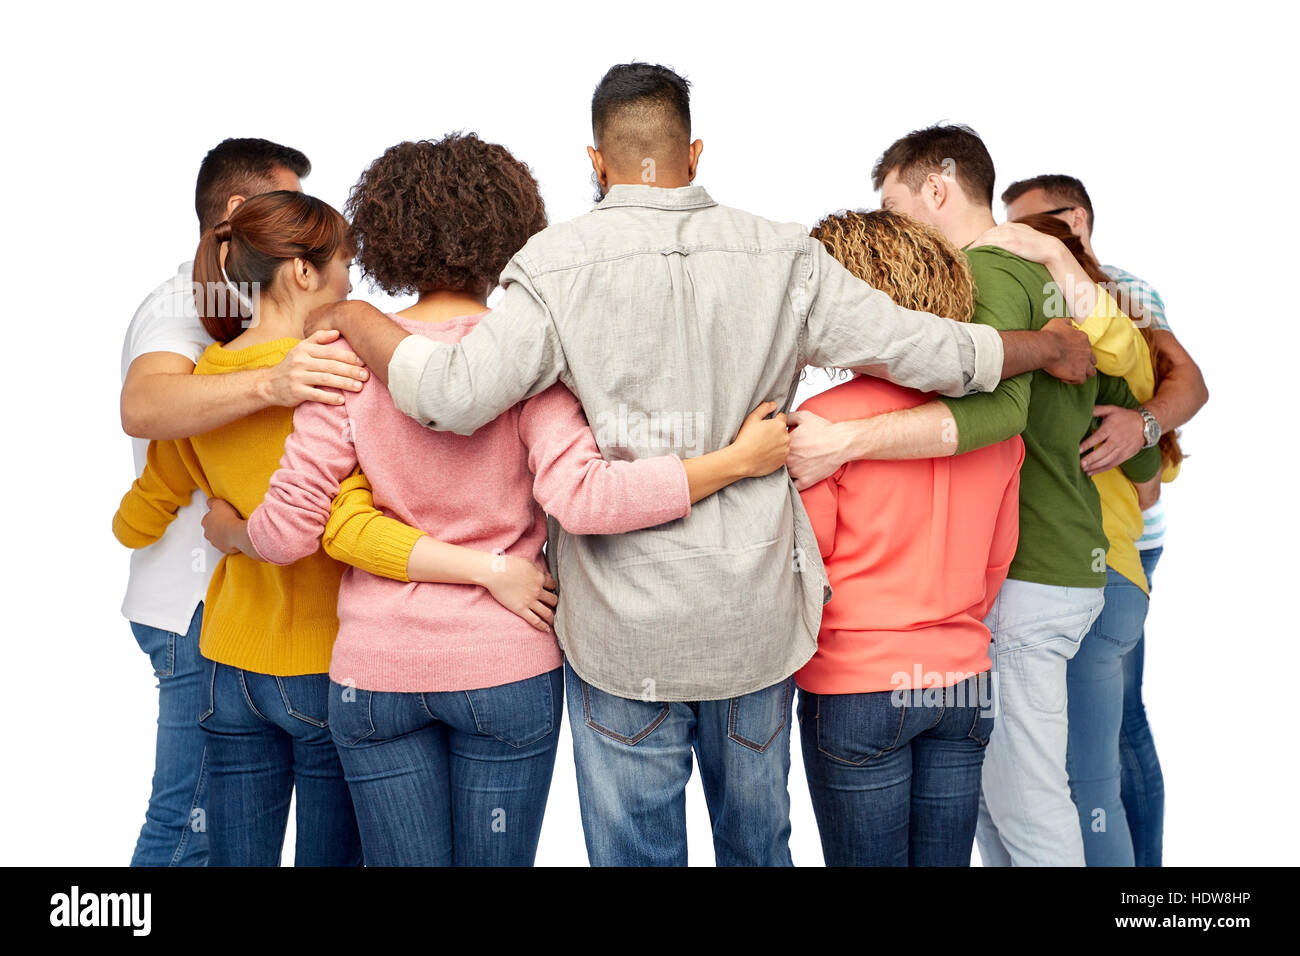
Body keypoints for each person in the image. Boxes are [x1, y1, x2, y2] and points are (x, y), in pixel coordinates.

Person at [302, 65, 1094, 867]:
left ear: (596, 161)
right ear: (697, 150)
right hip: (752, 627)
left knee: (637, 856)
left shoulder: (552, 267)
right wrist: (1045, 345)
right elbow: (930, 350)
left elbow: (452, 394)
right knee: (756, 850)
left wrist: (350, 313)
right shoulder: (784, 256)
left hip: (624, 633)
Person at [199, 134, 792, 866]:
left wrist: (230, 533)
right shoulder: (527, 356)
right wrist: (730, 463)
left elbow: (289, 533)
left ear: (383, 236)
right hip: (505, 669)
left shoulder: (346, 358)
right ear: (510, 231)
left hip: (376, 676)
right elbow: (586, 498)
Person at [788, 124, 1162, 865]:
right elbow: (1132, 376)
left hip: (970, 619)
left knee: (1032, 808)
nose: (894, 228)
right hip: (1009, 612)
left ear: (937, 188)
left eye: (894, 206)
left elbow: (993, 414)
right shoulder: (1038, 272)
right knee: (1021, 805)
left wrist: (845, 441)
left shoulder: (989, 276)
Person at [118, 137, 366, 867]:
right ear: (239, 215)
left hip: (233, 618)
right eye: (283, 209)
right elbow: (145, 405)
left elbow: (162, 479)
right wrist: (275, 383)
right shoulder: (182, 308)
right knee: (184, 830)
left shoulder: (233, 317)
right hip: (200, 611)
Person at [794, 209, 1024, 866]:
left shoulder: (821, 424)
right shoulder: (994, 428)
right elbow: (993, 565)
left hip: (859, 684)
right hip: (962, 684)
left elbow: (809, 567)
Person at [1002, 174, 1208, 865]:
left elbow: (1189, 386)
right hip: (1095, 563)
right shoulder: (1042, 308)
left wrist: (1142, 427)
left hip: (1111, 561)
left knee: (1103, 747)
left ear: (1078, 220)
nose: (1026, 239)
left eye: (1041, 227)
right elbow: (1150, 478)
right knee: (1076, 756)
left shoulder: (1121, 299)